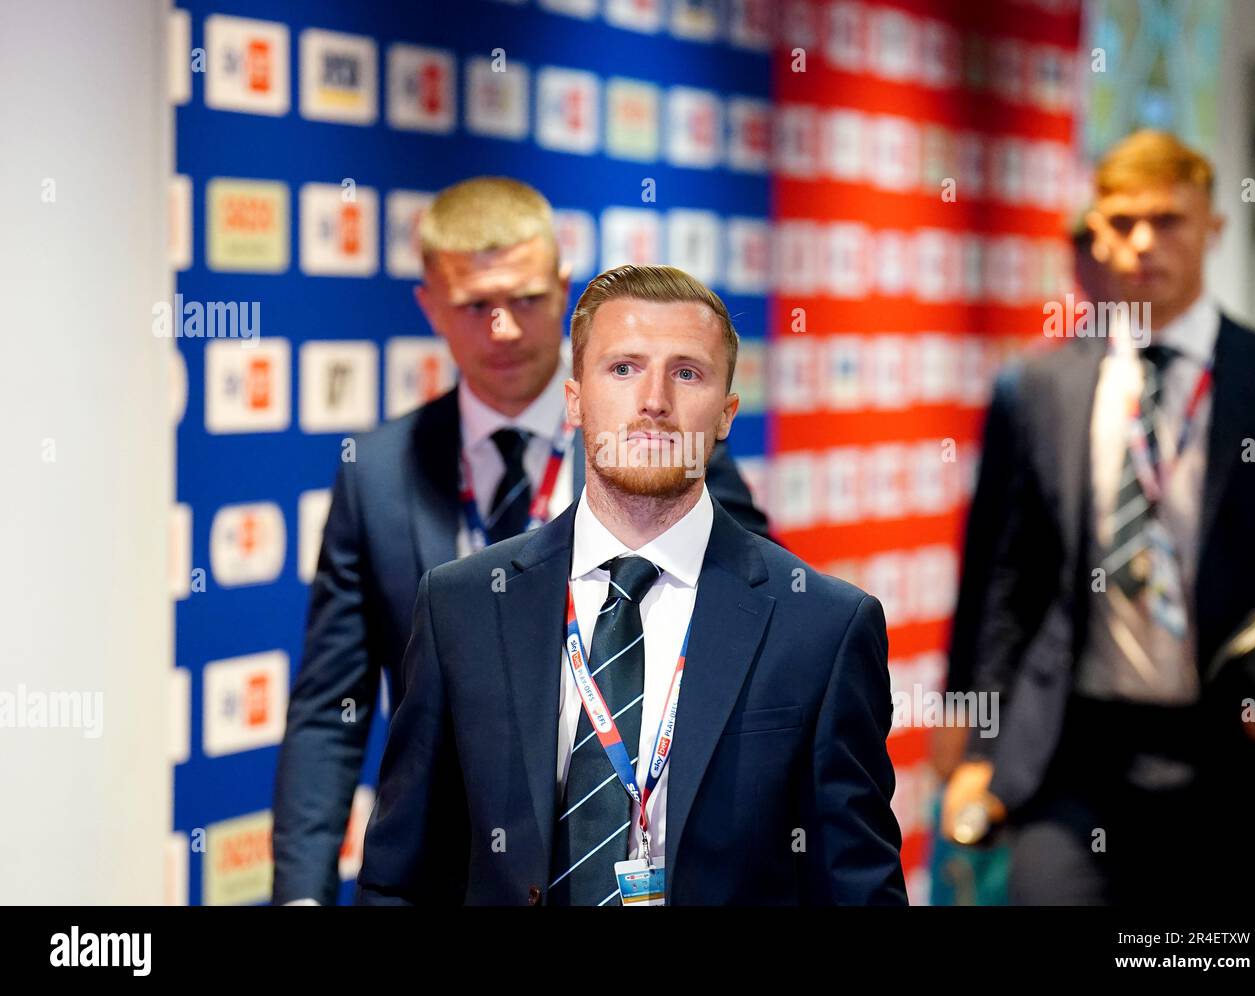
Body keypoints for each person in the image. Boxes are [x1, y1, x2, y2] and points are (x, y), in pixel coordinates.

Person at [272, 179, 768, 906]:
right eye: (476, 305)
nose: (502, 328)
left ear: (564, 290)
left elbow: (751, 632)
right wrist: (301, 897)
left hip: (639, 851)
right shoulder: (376, 476)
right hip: (452, 873)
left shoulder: (659, 440)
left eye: (527, 300)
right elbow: (328, 706)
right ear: (430, 306)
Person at [356, 264, 907, 906]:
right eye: (623, 368)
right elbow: (400, 876)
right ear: (574, 400)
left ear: (726, 414)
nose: (653, 400)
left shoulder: (823, 627)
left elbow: (858, 888)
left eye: (687, 372)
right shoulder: (462, 606)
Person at [941, 130, 1255, 904]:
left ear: (1213, 227)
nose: (1143, 243)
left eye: (1168, 221)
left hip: (1231, 752)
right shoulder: (1041, 387)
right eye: (1123, 221)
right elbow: (1004, 581)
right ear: (1096, 230)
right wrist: (976, 737)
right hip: (1073, 749)